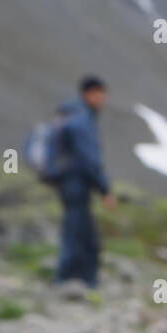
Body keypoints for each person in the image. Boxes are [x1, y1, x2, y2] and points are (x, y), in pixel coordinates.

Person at [54, 76, 115, 289]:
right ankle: (67, 280)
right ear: (89, 94)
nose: (103, 99)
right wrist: (105, 189)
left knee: (81, 231)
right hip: (75, 183)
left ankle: (80, 279)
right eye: (100, 94)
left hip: (70, 183)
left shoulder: (73, 116)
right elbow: (89, 158)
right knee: (77, 232)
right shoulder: (81, 120)